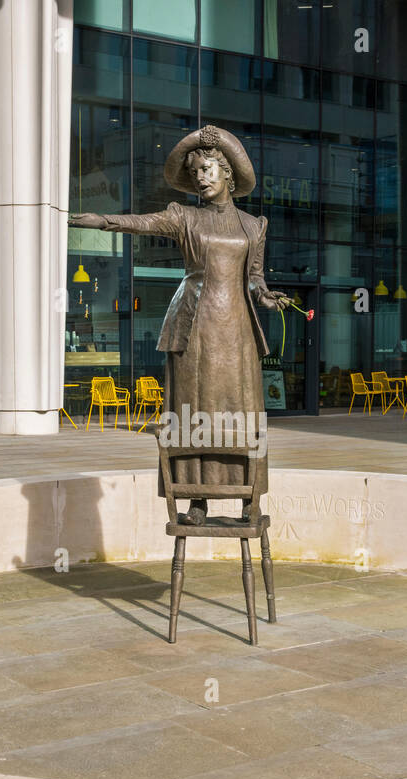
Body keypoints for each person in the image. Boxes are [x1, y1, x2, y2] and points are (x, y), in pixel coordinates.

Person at [69, 125, 291, 525]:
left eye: (207, 170)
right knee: (193, 408)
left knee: (242, 408)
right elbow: (142, 223)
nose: (201, 179)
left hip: (237, 328)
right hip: (194, 328)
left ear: (228, 174)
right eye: (196, 174)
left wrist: (265, 295)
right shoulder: (184, 217)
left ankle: (250, 498)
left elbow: (255, 276)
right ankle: (196, 499)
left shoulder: (253, 226)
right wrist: (100, 221)